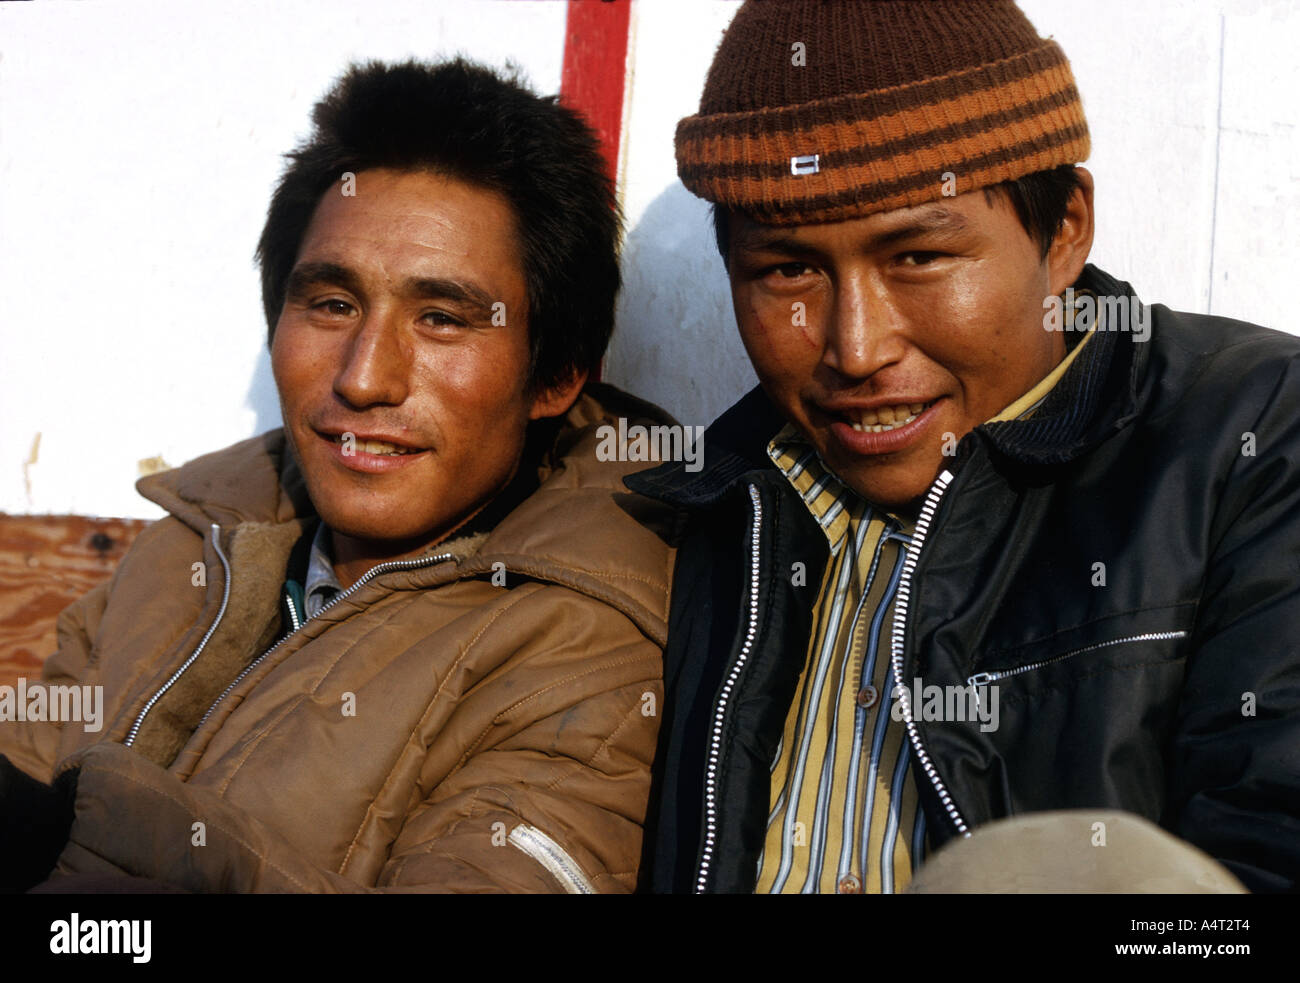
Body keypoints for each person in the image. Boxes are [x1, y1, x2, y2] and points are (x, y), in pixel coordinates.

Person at [628, 0, 1300, 894]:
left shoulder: (1251, 441)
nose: (856, 347)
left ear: (1062, 231)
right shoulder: (695, 511)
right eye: (788, 270)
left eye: (917, 257)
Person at [0, 57, 677, 893]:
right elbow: (25, 758)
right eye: (331, 304)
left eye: (440, 319)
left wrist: (88, 844)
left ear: (556, 376)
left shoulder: (592, 656)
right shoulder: (196, 540)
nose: (364, 377)